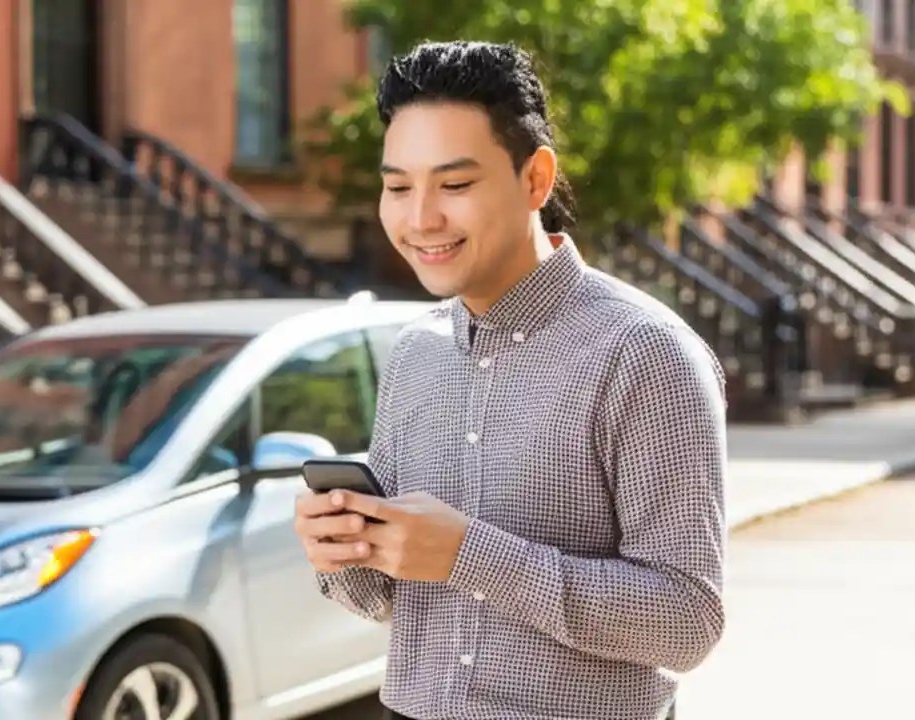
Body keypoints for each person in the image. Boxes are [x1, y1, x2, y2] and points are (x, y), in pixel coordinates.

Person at [292, 40, 727, 720]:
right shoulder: (415, 354)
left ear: (535, 179)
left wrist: (472, 554)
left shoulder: (645, 354)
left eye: (455, 185)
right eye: (398, 186)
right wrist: (343, 552)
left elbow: (686, 621)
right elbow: (382, 599)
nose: (420, 218)